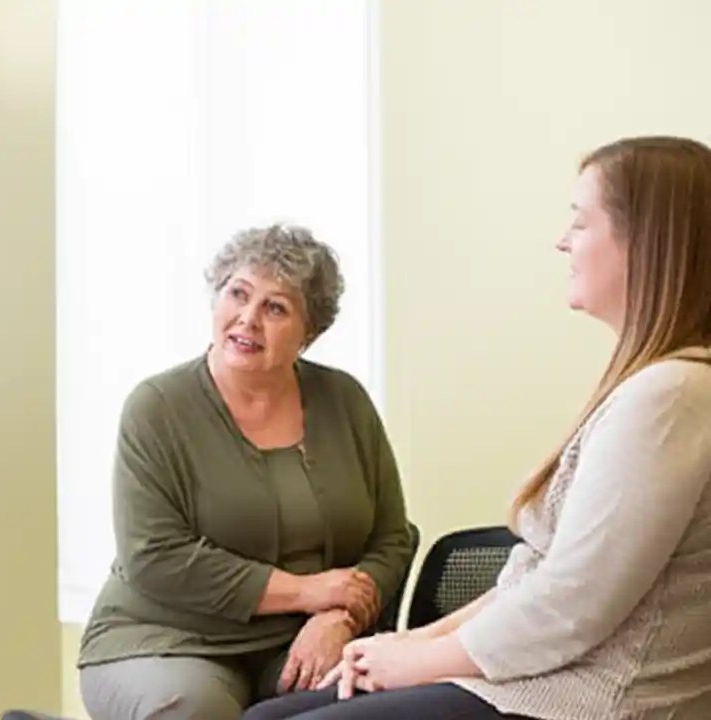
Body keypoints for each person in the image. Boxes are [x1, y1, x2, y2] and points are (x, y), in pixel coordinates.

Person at [242, 135, 711, 720]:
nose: (562, 241)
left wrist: (416, 662)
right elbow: (535, 580)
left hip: (596, 700)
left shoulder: (668, 398)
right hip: (544, 679)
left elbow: (572, 606)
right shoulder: (653, 389)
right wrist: (416, 642)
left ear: (644, 242)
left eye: (581, 222)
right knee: (265, 716)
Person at [75, 224, 417, 720]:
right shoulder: (156, 408)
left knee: (369, 704)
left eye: (275, 308)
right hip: (168, 640)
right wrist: (307, 590)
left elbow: (392, 538)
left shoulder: (345, 401)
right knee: (195, 709)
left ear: (310, 332)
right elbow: (155, 556)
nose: (248, 319)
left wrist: (340, 615)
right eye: (238, 293)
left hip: (304, 639)